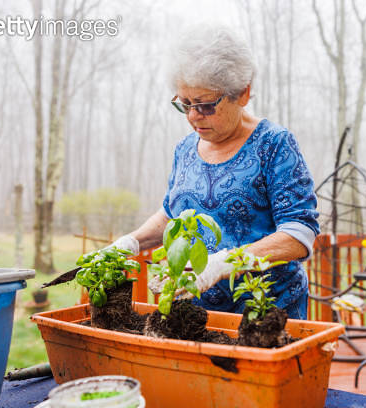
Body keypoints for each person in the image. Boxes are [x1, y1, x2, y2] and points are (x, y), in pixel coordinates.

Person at [110, 25, 319, 319]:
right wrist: (129, 243)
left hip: (264, 317)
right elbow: (171, 214)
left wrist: (225, 263)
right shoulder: (185, 149)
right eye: (185, 104)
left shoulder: (274, 145)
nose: (194, 116)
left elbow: (298, 234)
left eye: (206, 105)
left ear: (243, 94)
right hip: (192, 317)